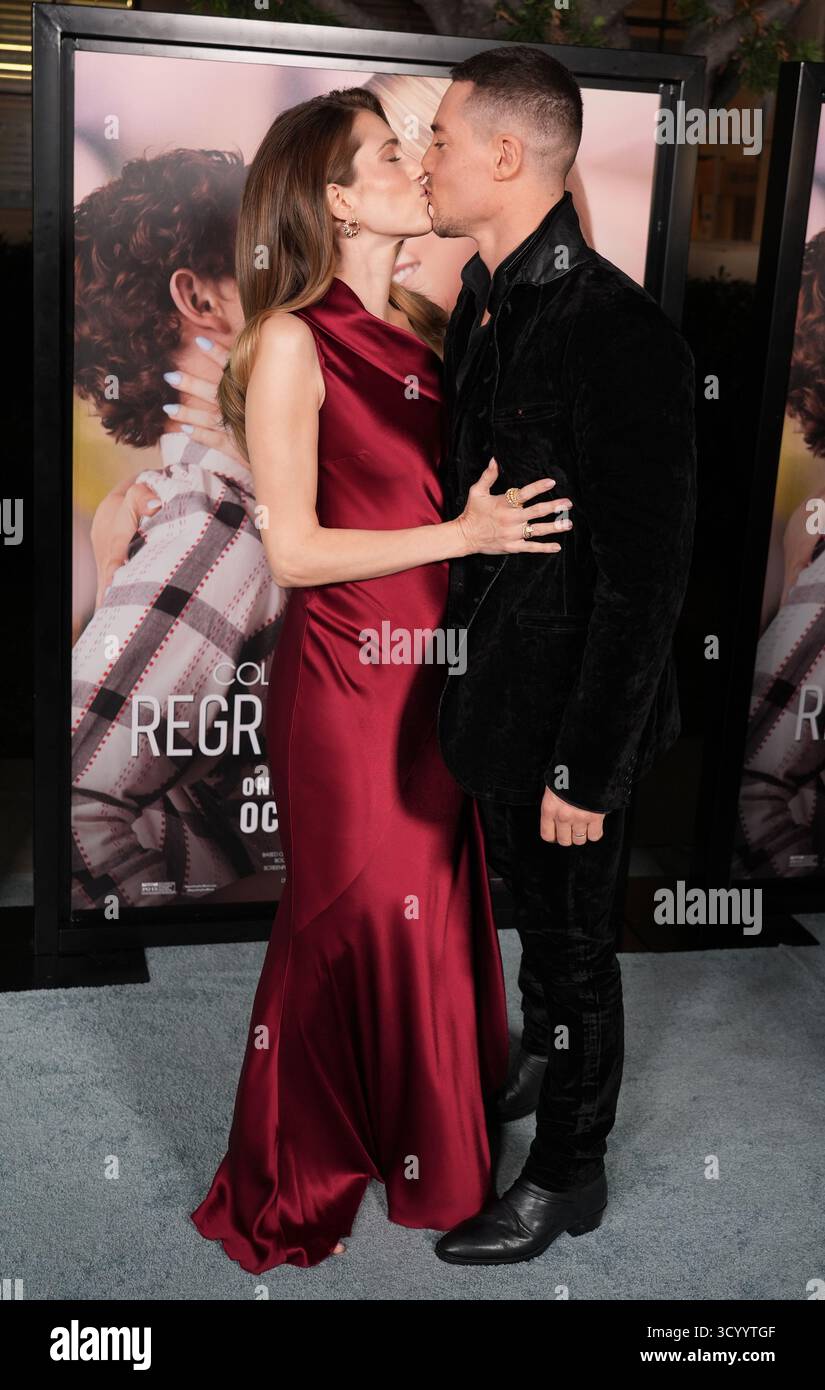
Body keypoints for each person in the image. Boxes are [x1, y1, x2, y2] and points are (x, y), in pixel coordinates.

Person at [189, 86, 575, 1270]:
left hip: (429, 679)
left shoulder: (419, 318)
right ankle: (297, 1162)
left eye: (416, 145)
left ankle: (428, 1142)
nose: (414, 160)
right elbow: (294, 549)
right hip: (348, 685)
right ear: (339, 199)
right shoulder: (295, 341)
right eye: (384, 153)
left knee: (436, 904)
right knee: (355, 914)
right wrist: (465, 537)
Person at [419, 45, 697, 1264]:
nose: (424, 158)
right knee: (533, 929)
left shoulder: (618, 332)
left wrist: (588, 767)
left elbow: (644, 587)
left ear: (503, 154)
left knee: (579, 953)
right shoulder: (485, 300)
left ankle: (569, 1174)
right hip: (494, 702)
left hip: (575, 723)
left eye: (437, 138)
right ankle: (536, 1055)